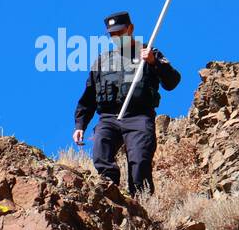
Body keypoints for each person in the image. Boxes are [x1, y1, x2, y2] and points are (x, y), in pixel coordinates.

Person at [73, 11, 180, 195]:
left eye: (120, 32)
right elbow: (89, 96)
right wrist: (80, 125)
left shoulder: (149, 53)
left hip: (139, 117)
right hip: (109, 118)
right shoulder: (102, 61)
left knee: (140, 164)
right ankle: (111, 194)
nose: (116, 37)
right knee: (101, 152)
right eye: (112, 34)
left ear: (130, 29)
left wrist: (155, 63)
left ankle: (142, 205)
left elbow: (172, 82)